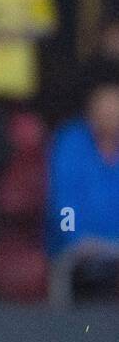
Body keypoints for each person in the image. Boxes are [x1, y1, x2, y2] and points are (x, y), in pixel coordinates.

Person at [46, 83, 119, 298]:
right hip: (78, 249)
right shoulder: (71, 142)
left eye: (115, 113)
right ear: (91, 114)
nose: (110, 119)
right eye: (104, 113)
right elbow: (64, 202)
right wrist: (74, 237)